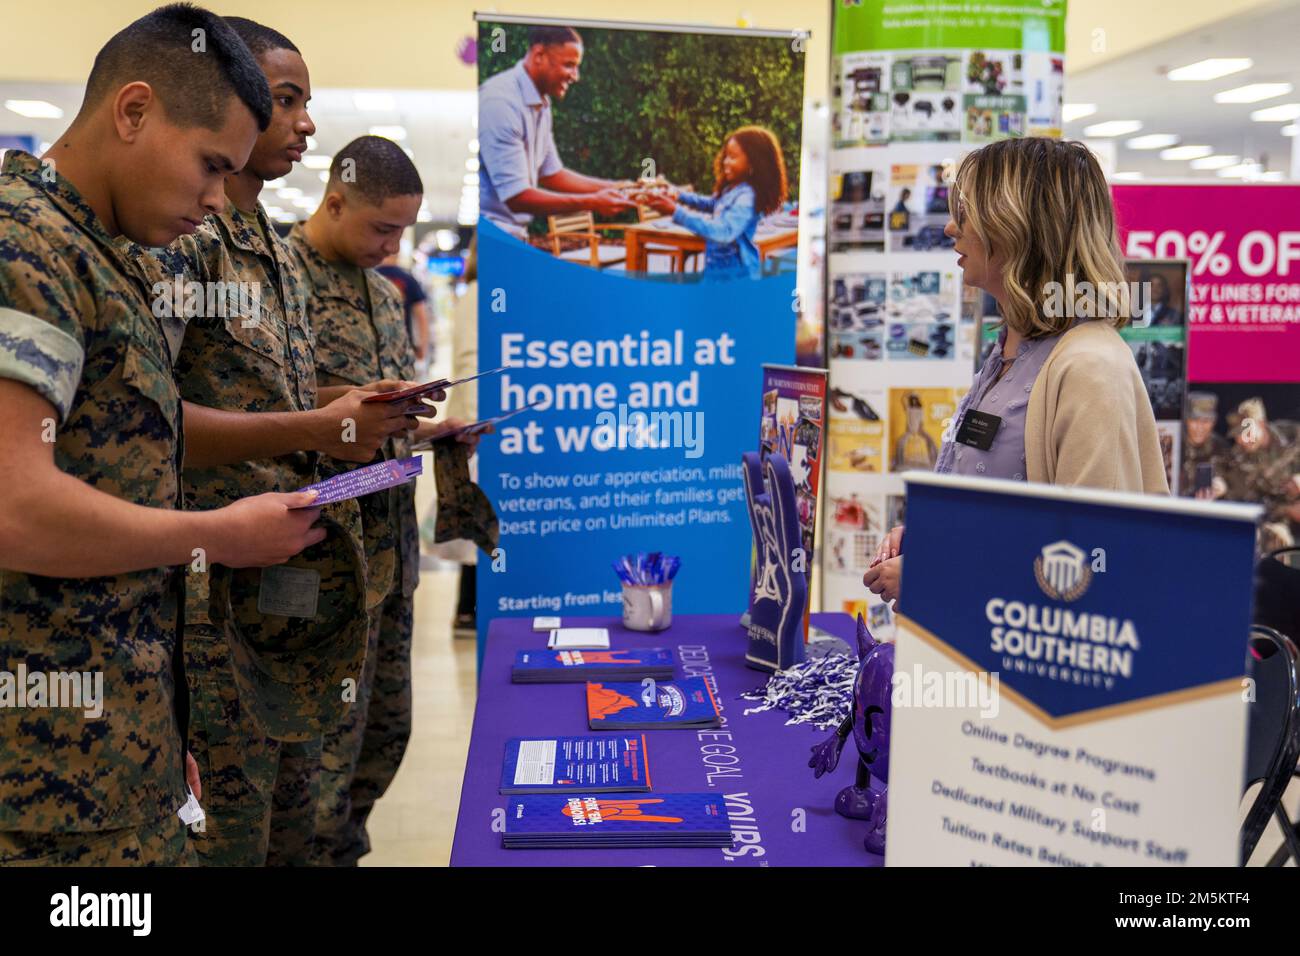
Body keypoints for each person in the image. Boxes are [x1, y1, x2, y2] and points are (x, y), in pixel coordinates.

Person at [0, 4, 327, 866]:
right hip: (44, 788)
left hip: (118, 746)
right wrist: (217, 535)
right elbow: (15, 507)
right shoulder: (24, 250)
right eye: (211, 166)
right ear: (133, 111)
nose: (219, 198)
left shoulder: (99, 253)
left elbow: (125, 444)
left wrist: (159, 716)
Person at [130, 17, 432, 867]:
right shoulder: (186, 244)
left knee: (305, 818)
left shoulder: (266, 247)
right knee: (232, 831)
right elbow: (149, 420)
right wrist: (322, 423)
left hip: (298, 586)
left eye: (305, 102)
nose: (304, 124)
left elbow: (277, 396)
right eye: (285, 100)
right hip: (219, 596)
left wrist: (367, 408)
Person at [864, 137, 1167, 606]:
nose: (949, 229)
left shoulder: (1089, 367)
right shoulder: (1013, 347)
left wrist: (939, 575)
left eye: (966, 215)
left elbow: (1096, 566)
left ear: (1020, 227)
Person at [287, 135, 480, 864]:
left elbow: (380, 420)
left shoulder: (383, 293)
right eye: (381, 228)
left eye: (404, 229)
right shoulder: (280, 282)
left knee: (380, 737)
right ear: (334, 202)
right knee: (316, 766)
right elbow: (259, 408)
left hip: (389, 560)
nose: (394, 244)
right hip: (318, 562)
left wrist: (433, 430)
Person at [478, 24, 635, 236]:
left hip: (512, 235)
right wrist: (593, 202)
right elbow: (517, 197)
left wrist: (618, 188)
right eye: (569, 65)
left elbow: (552, 174)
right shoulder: (500, 102)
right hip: (491, 237)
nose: (575, 76)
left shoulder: (541, 102)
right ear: (539, 55)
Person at [645, 125, 789, 279]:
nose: (725, 162)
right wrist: (679, 195)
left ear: (753, 163)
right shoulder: (735, 189)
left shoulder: (747, 197)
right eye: (726, 156)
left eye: (733, 157)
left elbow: (723, 232)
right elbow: (714, 204)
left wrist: (676, 212)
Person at [376, 253, 431, 362]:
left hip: (375, 347)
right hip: (403, 348)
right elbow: (422, 318)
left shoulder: (371, 278)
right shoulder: (409, 280)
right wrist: (423, 347)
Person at [1180, 391, 1230, 500]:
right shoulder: (1174, 445)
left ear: (1214, 422)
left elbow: (1235, 483)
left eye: (1206, 421)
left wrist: (1224, 489)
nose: (1200, 428)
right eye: (1194, 420)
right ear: (1186, 421)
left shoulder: (1221, 448)